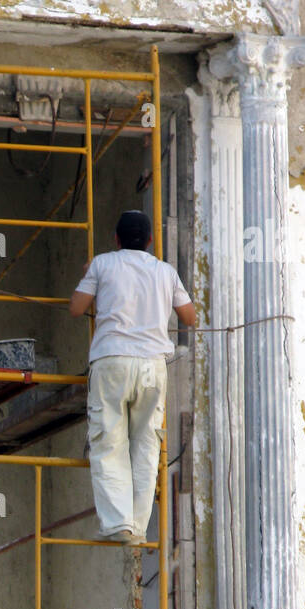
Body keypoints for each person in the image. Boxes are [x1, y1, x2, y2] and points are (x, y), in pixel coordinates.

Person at [69, 209, 197, 544]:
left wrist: (90, 274)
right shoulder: (165, 271)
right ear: (151, 240)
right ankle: (138, 527)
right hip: (152, 367)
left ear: (116, 239)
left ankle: (118, 524)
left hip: (112, 361)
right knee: (146, 445)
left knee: (109, 441)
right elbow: (189, 316)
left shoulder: (103, 264)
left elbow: (77, 308)